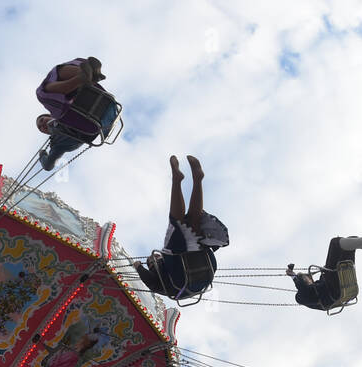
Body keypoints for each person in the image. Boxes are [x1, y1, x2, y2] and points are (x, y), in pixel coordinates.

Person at [135, 156, 230, 299]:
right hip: (183, 276)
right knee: (177, 223)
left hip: (202, 266)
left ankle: (197, 180)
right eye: (153, 258)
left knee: (193, 222)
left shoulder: (167, 276)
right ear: (153, 264)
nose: (155, 256)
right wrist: (138, 267)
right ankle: (178, 180)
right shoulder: (164, 274)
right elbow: (151, 283)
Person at [286, 217, 362, 311]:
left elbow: (309, 283)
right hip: (333, 291)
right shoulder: (302, 297)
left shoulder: (318, 284)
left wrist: (297, 276)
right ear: (304, 282)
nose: (309, 277)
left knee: (348, 243)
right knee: (335, 243)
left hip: (337, 283)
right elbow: (303, 289)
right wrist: (294, 277)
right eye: (306, 277)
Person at [34, 57, 116, 170]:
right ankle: (84, 75)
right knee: (41, 93)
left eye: (42, 121)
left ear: (50, 115)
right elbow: (48, 166)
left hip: (95, 103)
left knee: (47, 89)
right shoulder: (57, 145)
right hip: (102, 112)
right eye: (40, 128)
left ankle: (84, 75)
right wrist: (43, 154)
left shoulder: (59, 119)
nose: (42, 125)